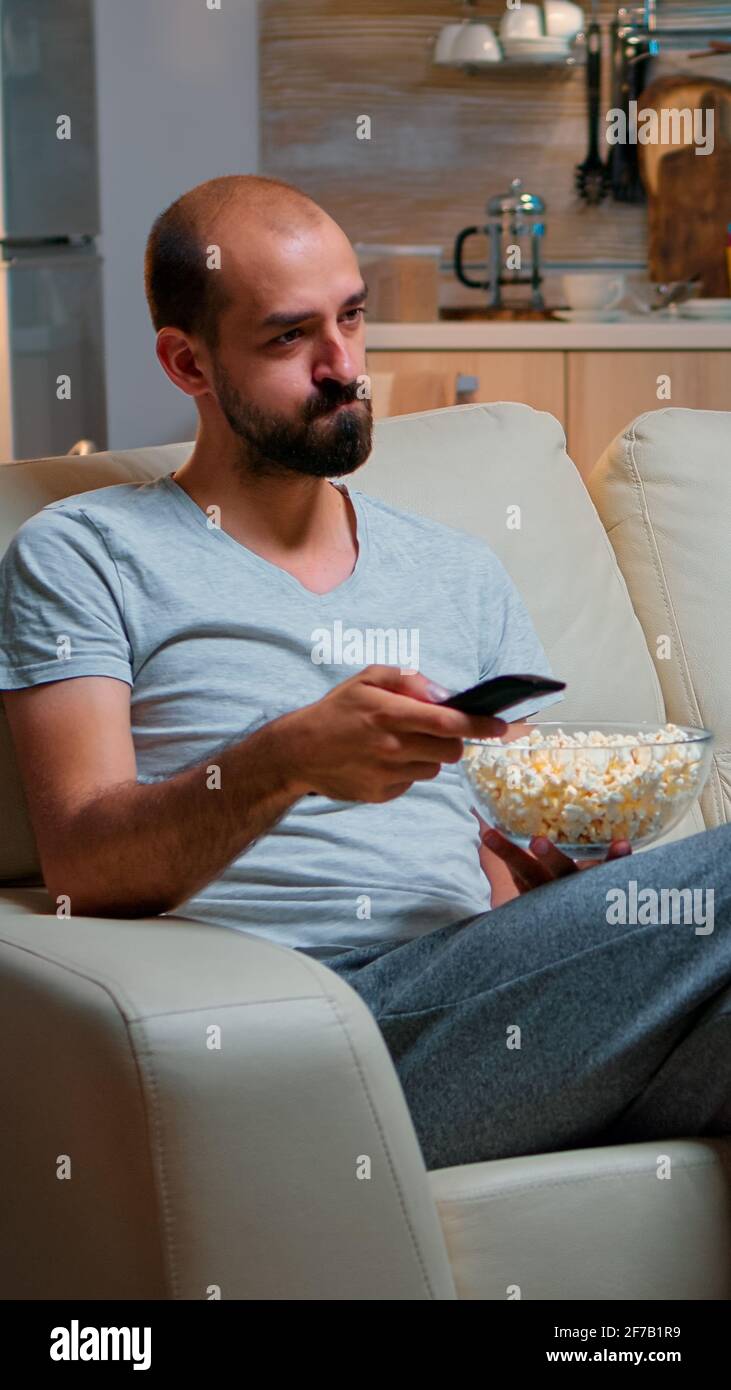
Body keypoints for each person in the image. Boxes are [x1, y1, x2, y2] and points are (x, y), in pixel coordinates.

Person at [0, 175, 728, 1171]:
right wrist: (288, 758)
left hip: (497, 1010)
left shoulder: (458, 567)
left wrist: (556, 871)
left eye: (351, 317)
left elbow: (499, 854)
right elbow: (82, 861)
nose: (342, 365)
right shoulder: (84, 553)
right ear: (188, 362)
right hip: (311, 1023)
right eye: (288, 336)